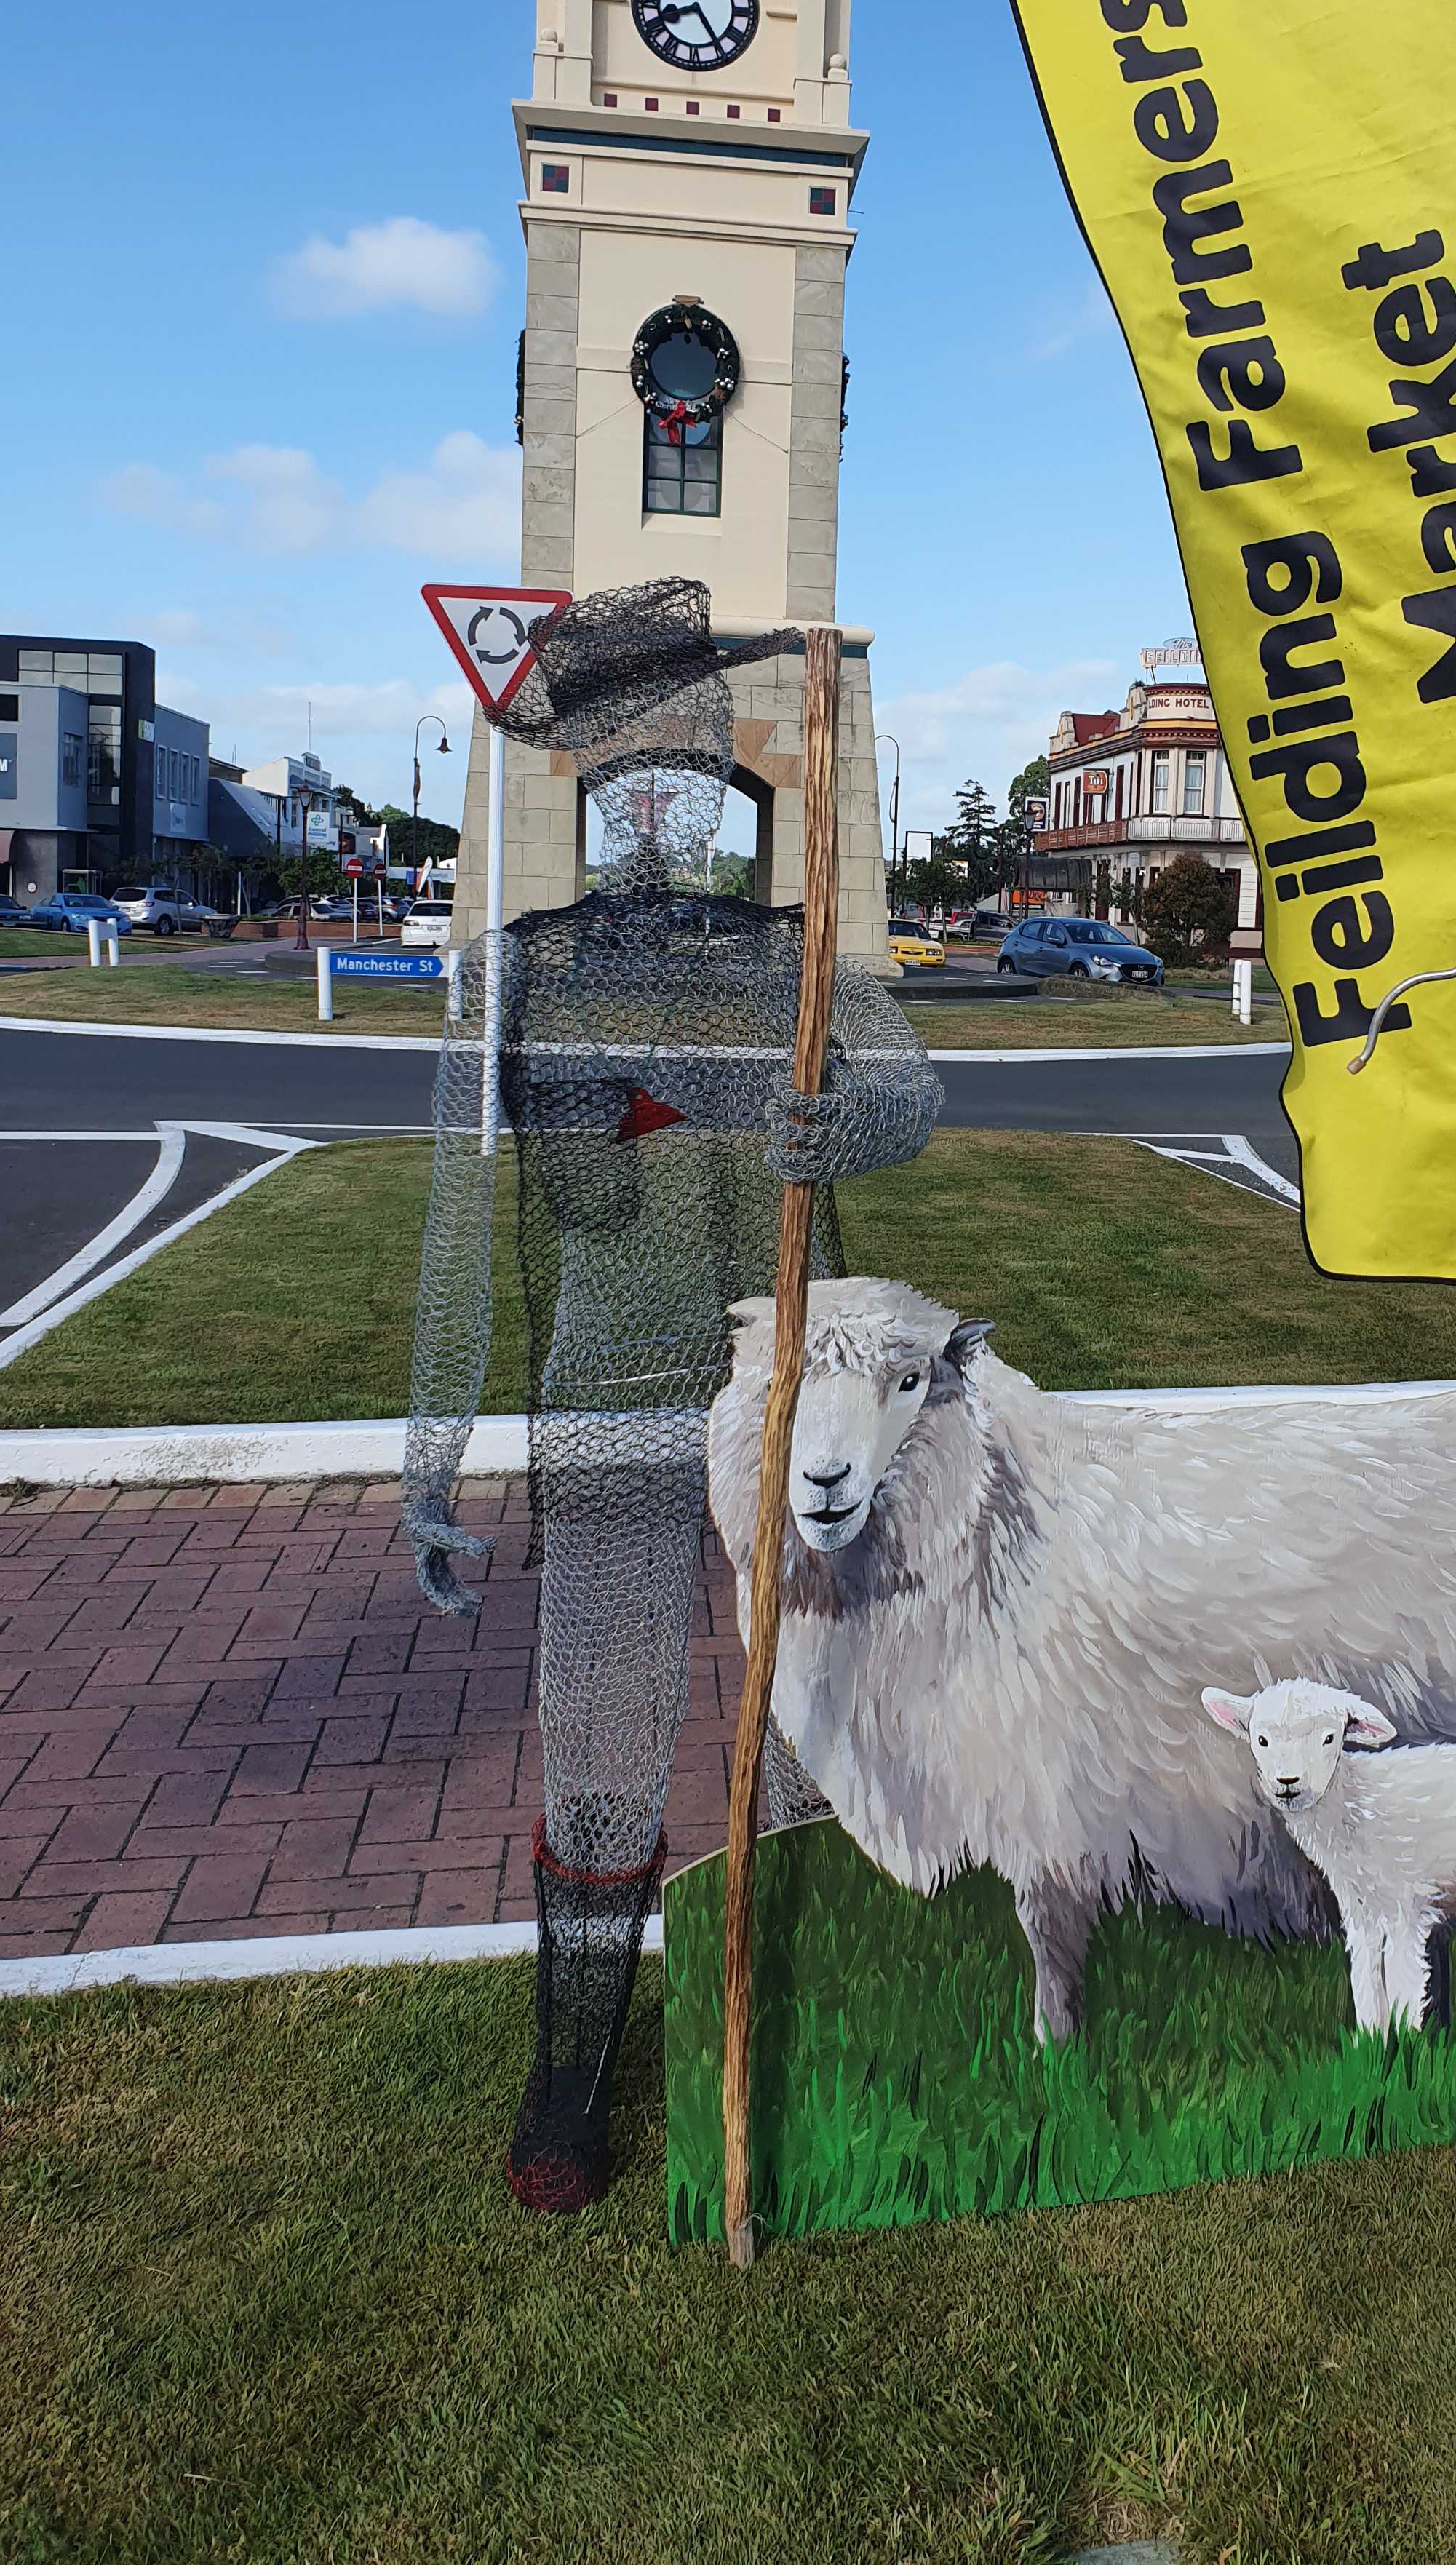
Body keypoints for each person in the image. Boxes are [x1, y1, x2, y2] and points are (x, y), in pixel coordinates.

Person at [403, 580, 942, 2212]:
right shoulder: (520, 971)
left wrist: (835, 1127)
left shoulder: (797, 962)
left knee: (805, 1720)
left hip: (788, 1403)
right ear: (586, 792)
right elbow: (455, 1221)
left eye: (676, 781)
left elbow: (913, 1088)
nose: (650, 810)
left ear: (713, 793)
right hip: (611, 1399)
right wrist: (431, 1458)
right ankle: (571, 2063)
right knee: (605, 1736)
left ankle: (790, 2019)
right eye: (619, 781)